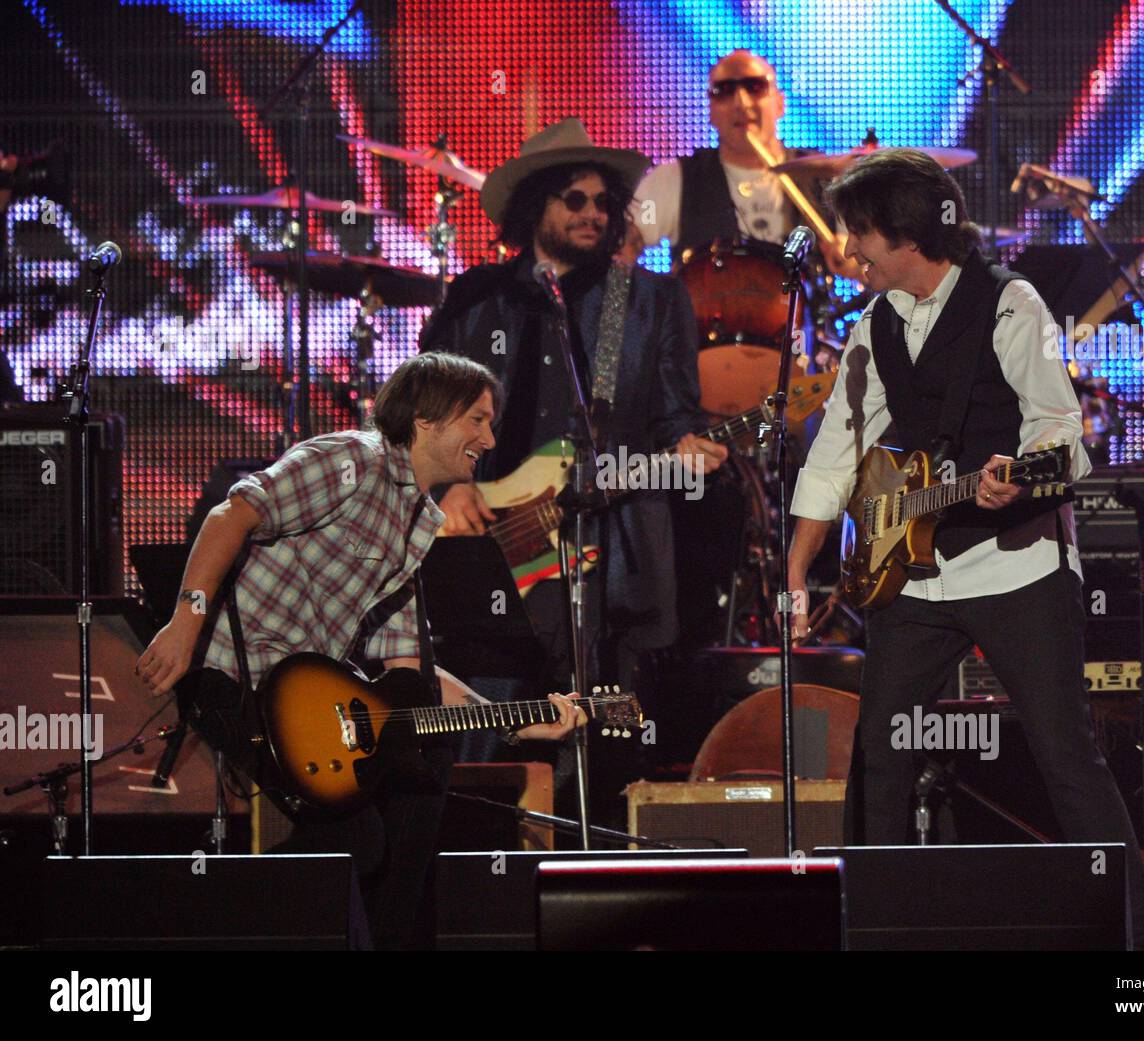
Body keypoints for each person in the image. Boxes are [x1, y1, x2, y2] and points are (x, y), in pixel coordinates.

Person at [784, 149, 1144, 950]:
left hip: (1016, 563)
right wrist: (796, 565)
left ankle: (1141, 947)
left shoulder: (1009, 303)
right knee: (881, 755)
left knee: (1067, 755)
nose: (848, 250)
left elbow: (1064, 435)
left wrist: (1018, 481)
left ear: (905, 235)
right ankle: (876, 932)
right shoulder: (873, 323)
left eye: (860, 234)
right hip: (913, 577)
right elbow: (837, 452)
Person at [135, 352, 587, 949]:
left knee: (426, 764)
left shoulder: (419, 521)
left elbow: (408, 671)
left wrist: (515, 723)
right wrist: (184, 622)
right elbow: (233, 512)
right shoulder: (348, 460)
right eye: (476, 420)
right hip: (235, 679)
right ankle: (189, 918)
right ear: (427, 418)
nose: (490, 437)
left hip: (314, 705)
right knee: (361, 839)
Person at [419, 118, 727, 815]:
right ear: (536, 207)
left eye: (601, 202)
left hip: (611, 556)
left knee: (609, 729)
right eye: (573, 200)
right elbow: (417, 413)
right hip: (493, 555)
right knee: (496, 733)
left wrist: (688, 450)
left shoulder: (646, 300)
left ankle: (606, 861)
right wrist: (451, 484)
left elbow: (677, 417)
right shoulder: (476, 299)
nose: (592, 214)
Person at [625, 50, 853, 277]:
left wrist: (854, 263)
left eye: (755, 87)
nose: (741, 103)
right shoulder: (672, 181)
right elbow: (629, 237)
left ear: (780, 104)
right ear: (711, 111)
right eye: (723, 91)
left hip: (804, 312)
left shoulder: (826, 179)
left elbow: (874, 266)